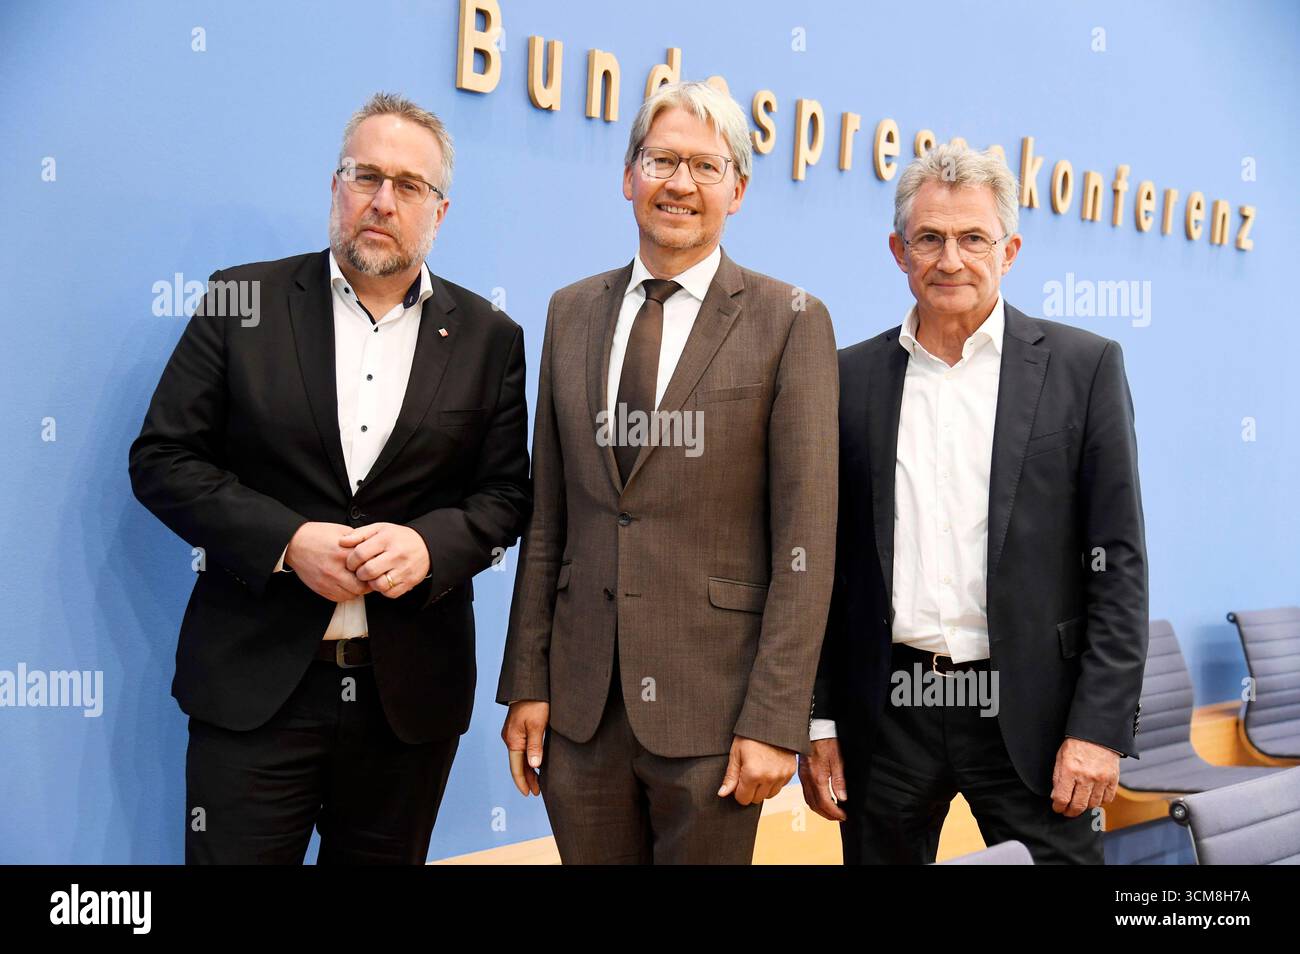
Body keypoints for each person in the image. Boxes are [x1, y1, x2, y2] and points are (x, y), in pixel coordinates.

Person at [129, 92, 530, 864]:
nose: (384, 201)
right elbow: (163, 460)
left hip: (406, 705)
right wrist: (286, 541)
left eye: (409, 185)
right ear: (335, 186)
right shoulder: (241, 299)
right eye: (366, 175)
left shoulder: (490, 337)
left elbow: (507, 495)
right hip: (254, 694)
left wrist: (430, 547)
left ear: (439, 211)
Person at [497, 81, 839, 864]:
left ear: (738, 190)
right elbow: (548, 516)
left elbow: (807, 539)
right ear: (628, 177)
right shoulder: (570, 311)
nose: (679, 183)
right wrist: (528, 679)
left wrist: (775, 717)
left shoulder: (789, 320)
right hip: (580, 712)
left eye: (704, 166)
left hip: (715, 715)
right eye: (661, 160)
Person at [801, 142, 1148, 865]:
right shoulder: (848, 379)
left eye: (972, 238)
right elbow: (823, 571)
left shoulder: (1084, 368)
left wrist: (1100, 728)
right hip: (888, 713)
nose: (950, 259)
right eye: (929, 238)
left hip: (1036, 719)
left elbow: (1118, 567)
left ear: (1010, 248)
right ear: (899, 250)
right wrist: (819, 719)